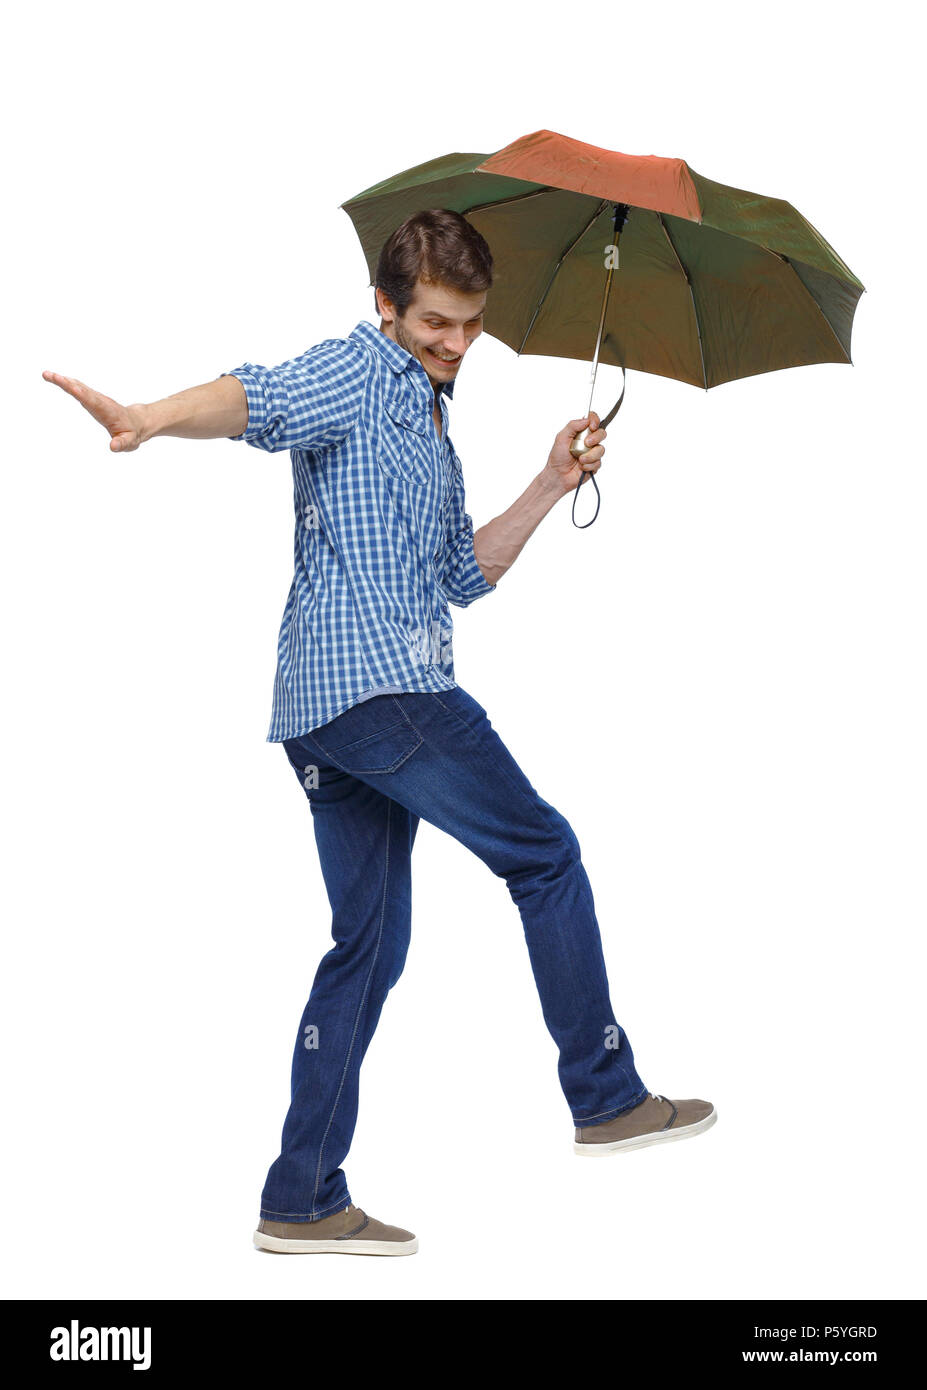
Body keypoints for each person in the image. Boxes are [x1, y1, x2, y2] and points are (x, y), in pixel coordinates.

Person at [43, 208, 715, 1258]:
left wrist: (550, 480)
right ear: (387, 306)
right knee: (545, 854)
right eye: (438, 323)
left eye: (470, 325)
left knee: (368, 943)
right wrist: (148, 415)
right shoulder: (357, 371)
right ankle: (604, 1090)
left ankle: (301, 1193)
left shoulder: (431, 421)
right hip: (378, 692)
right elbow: (254, 397)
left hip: (328, 714)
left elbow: (462, 576)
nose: (456, 344)